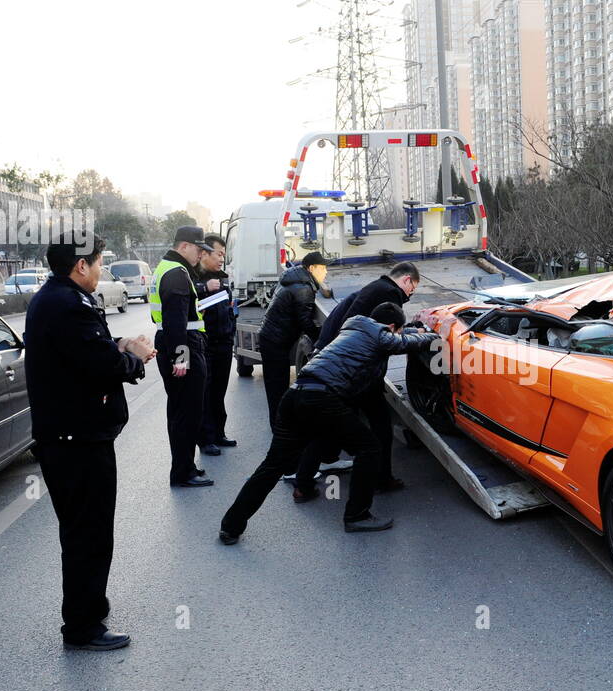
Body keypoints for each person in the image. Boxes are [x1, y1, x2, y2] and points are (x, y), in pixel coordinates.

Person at [24, 234, 155, 651]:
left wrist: (120, 347)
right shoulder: (66, 305)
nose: (101, 271)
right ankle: (82, 627)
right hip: (75, 441)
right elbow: (100, 364)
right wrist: (134, 358)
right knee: (88, 533)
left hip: (74, 436)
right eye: (98, 263)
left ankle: (90, 608)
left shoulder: (61, 300)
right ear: (81, 265)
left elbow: (84, 355)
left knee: (85, 530)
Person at [219, 302, 436, 542]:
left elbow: (398, 337)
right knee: (369, 448)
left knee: (273, 466)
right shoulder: (381, 335)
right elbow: (400, 343)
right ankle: (357, 515)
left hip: (296, 394)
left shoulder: (354, 328)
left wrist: (414, 330)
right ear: (391, 326)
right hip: (322, 398)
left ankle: (231, 526)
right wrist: (433, 336)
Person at [291, 262, 419, 501]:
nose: (411, 294)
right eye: (413, 289)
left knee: (328, 429)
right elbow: (393, 339)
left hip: (336, 371)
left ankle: (303, 483)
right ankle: (378, 482)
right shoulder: (390, 293)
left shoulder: (374, 288)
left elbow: (386, 332)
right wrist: (427, 333)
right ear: (407, 280)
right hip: (353, 376)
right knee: (378, 428)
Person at [151, 225, 215, 487]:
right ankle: (182, 472)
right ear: (184, 246)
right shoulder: (177, 273)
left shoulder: (166, 268)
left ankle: (185, 467)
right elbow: (175, 319)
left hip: (176, 343)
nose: (201, 254)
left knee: (181, 412)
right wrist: (181, 357)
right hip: (183, 344)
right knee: (186, 413)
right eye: (199, 249)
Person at [258, 250, 329, 428]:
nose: (326, 272)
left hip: (271, 338)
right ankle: (280, 428)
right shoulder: (303, 288)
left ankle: (280, 424)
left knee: (275, 386)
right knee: (278, 387)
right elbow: (305, 322)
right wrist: (323, 340)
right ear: (311, 268)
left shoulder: (293, 278)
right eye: (323, 268)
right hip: (275, 342)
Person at [197, 233, 237, 456]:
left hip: (224, 343)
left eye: (224, 254)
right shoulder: (194, 278)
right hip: (206, 343)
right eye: (218, 254)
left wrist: (230, 331)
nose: (222, 258)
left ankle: (219, 433)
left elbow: (228, 308)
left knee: (219, 391)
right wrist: (204, 288)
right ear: (205, 253)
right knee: (206, 392)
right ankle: (206, 439)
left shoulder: (222, 278)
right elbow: (188, 303)